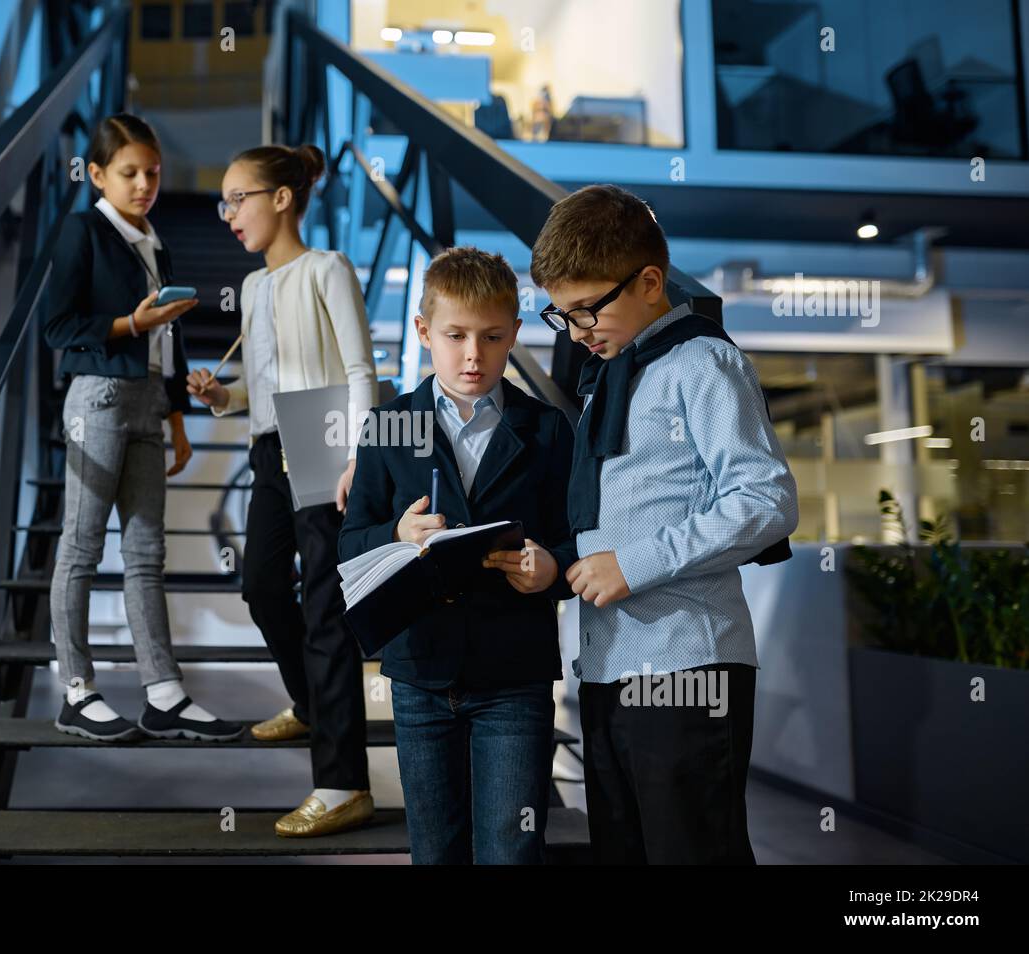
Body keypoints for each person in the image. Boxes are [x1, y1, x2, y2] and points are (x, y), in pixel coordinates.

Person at [530, 183, 799, 863]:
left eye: (587, 311)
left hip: (686, 666)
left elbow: (766, 501)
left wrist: (635, 564)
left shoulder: (702, 364)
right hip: (608, 669)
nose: (577, 332)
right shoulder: (611, 378)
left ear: (650, 281)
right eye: (562, 316)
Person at [339, 247, 578, 863]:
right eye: (455, 335)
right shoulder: (387, 426)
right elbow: (348, 546)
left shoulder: (548, 429)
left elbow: (578, 538)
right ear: (423, 331)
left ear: (515, 335)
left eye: (493, 337)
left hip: (515, 676)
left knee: (512, 848)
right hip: (420, 673)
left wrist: (550, 568)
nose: (474, 355)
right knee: (435, 850)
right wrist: (397, 535)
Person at [186, 144, 378, 837]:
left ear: (283, 198)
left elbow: (360, 369)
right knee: (263, 587)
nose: (228, 213)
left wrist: (357, 453)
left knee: (325, 611)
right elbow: (259, 396)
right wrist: (219, 397)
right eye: (225, 201)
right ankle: (309, 702)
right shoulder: (257, 287)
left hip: (322, 428)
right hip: (272, 442)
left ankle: (343, 784)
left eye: (240, 198)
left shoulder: (327, 268)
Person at [43, 113, 241, 743]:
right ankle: (77, 689)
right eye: (128, 173)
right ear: (97, 174)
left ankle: (163, 692)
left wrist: (177, 415)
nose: (144, 184)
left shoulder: (155, 240)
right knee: (80, 548)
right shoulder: (82, 232)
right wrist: (130, 324)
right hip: (96, 398)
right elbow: (57, 327)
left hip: (148, 402)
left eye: (152, 172)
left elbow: (169, 338)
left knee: (145, 554)